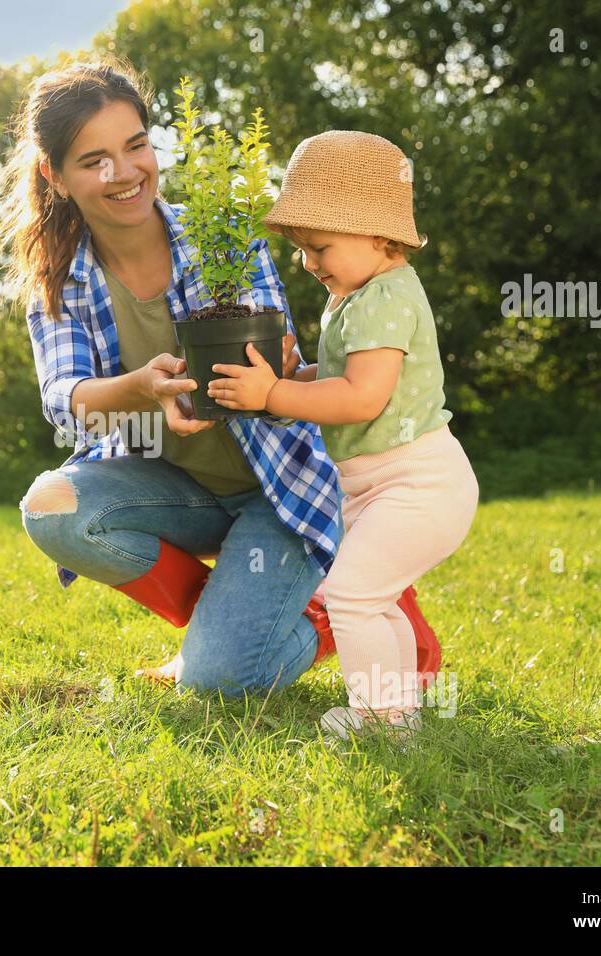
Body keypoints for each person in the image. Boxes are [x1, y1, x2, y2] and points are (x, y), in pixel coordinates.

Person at [0, 59, 441, 697]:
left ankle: (319, 613)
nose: (125, 172)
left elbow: (287, 384)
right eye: (95, 160)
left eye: (136, 146)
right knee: (51, 506)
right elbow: (66, 402)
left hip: (275, 490)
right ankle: (229, 623)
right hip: (181, 492)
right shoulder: (61, 283)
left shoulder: (221, 243)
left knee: (218, 686)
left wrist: (276, 369)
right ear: (53, 175)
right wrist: (141, 387)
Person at [205, 130, 478, 735]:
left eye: (320, 246)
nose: (308, 263)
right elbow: (335, 377)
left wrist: (274, 395)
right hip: (384, 484)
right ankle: (400, 711)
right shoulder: (359, 294)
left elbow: (361, 397)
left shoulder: (385, 298)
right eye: (302, 248)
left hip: (418, 483)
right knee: (372, 598)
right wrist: (287, 375)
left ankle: (381, 722)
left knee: (352, 597)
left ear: (378, 234)